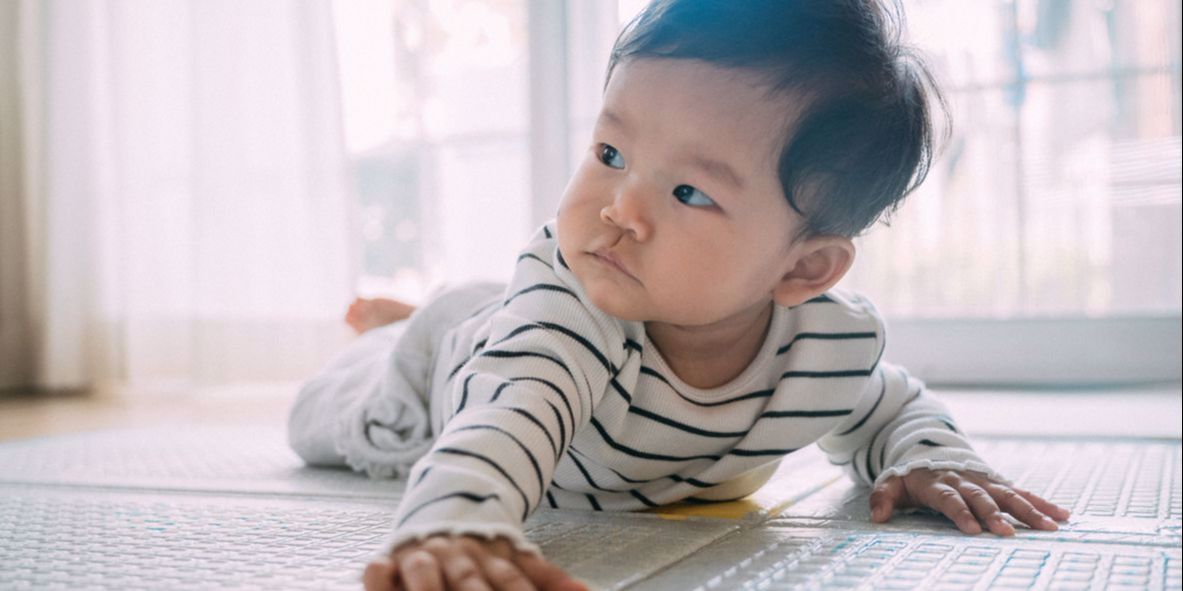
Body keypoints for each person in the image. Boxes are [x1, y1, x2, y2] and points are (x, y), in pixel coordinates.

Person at [289, 1, 1070, 589]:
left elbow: (892, 404)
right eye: (609, 151)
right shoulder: (567, 322)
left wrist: (933, 460)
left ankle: (454, 305)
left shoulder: (820, 348)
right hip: (453, 372)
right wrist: (456, 524)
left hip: (533, 313)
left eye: (690, 193)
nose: (618, 209)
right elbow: (504, 421)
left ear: (801, 271)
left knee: (504, 305)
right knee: (320, 422)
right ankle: (406, 329)